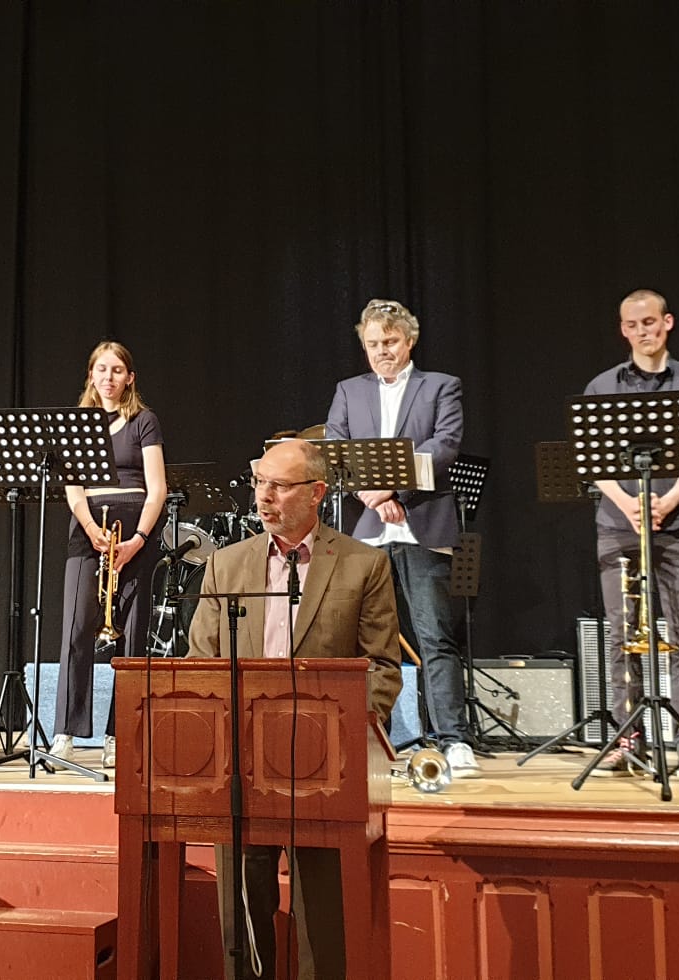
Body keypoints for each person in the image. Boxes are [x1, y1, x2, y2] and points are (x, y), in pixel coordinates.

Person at [186, 439, 402, 980]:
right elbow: (199, 668)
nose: (264, 496)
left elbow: (382, 669)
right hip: (241, 769)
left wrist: (345, 739)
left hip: (324, 772)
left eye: (279, 486)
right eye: (261, 482)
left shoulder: (363, 564)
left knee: (323, 927)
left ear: (317, 494)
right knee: (243, 927)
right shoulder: (226, 567)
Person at [324, 298, 475, 775]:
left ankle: (453, 739)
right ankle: (370, 738)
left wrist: (394, 489)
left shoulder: (440, 386)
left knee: (434, 637)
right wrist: (372, 496)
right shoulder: (349, 390)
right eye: (372, 344)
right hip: (369, 531)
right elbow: (334, 447)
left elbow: (444, 445)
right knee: (366, 644)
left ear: (408, 341)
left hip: (423, 526)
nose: (381, 351)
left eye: (389, 342)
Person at [584, 288, 679, 776]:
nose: (644, 331)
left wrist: (668, 500)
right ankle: (626, 738)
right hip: (619, 524)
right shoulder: (602, 386)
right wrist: (629, 503)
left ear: (668, 322)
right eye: (634, 324)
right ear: (623, 330)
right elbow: (592, 463)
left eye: (651, 322)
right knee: (621, 635)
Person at [54, 341, 167, 768]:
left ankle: (120, 734)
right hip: (89, 529)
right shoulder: (78, 424)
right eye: (101, 369)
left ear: (130, 377)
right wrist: (88, 526)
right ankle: (66, 730)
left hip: (135, 527)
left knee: (133, 635)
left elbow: (158, 488)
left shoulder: (144, 420)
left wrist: (138, 537)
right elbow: (72, 487)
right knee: (76, 628)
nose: (109, 377)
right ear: (90, 375)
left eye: (117, 370)